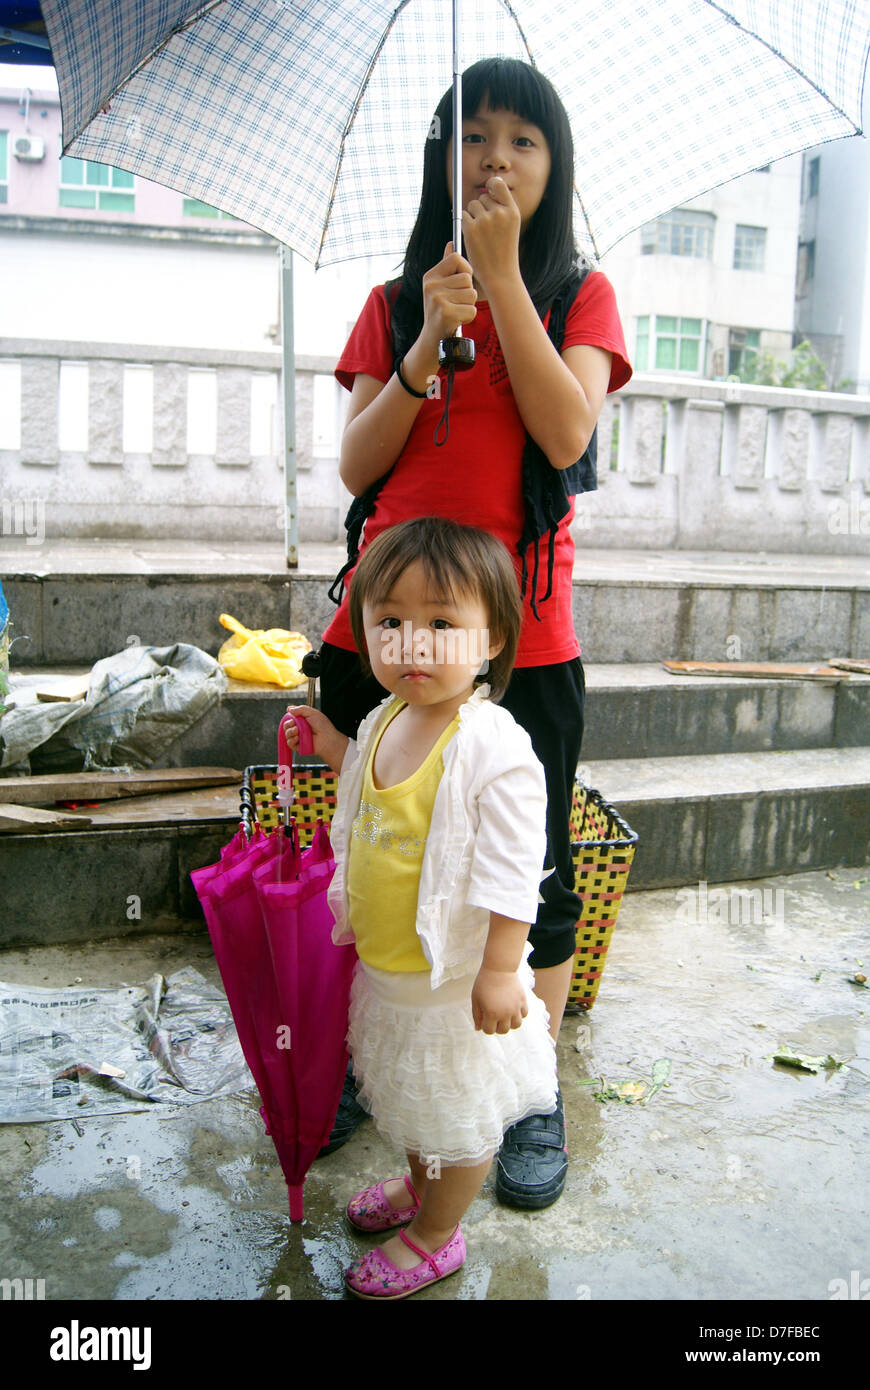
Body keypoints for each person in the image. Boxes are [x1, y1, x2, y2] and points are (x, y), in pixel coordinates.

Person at [317, 57, 632, 1208]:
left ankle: (524, 1090)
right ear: (440, 156)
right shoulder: (399, 297)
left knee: (525, 877)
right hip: (386, 631)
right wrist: (423, 339)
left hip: (522, 646)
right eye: (474, 134)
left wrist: (503, 287)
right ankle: (374, 1059)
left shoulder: (577, 296)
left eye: (524, 140)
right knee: (381, 853)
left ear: (555, 168)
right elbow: (357, 462)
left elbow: (564, 437)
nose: (496, 157)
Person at [284, 517, 557, 1299]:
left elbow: (513, 869)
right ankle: (418, 1185)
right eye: (391, 621)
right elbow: (367, 786)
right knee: (408, 1099)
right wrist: (332, 741)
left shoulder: (492, 747)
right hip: (389, 972)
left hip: (453, 990)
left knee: (455, 1113)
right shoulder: (384, 721)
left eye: (442, 623)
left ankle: (439, 1232)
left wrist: (503, 969)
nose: (413, 643)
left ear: (493, 638)